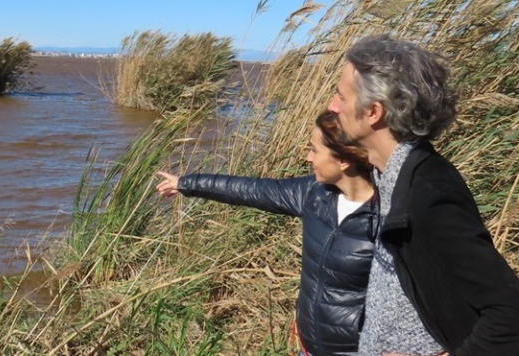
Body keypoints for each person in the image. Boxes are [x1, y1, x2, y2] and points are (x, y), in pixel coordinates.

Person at [327, 34, 519, 356]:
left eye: (341, 96)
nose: (332, 106)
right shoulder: (389, 174)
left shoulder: (428, 193)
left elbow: (518, 316)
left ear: (373, 112)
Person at [156, 110, 377, 356]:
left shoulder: (390, 217)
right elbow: (252, 190)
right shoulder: (315, 194)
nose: (308, 157)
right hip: (309, 345)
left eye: (315, 150)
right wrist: (186, 183)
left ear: (343, 159)